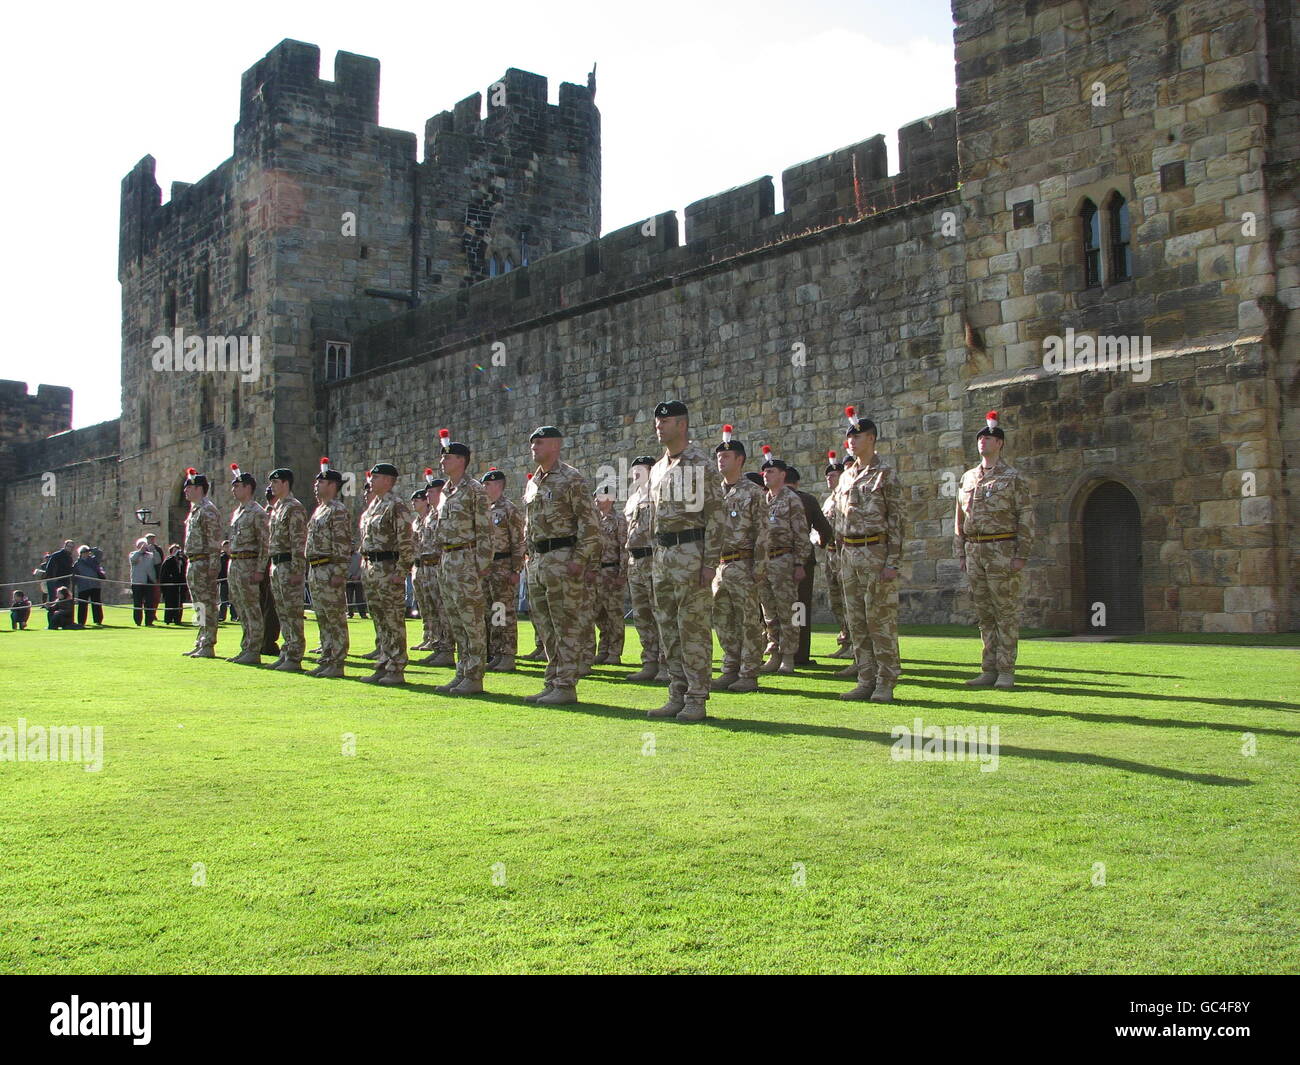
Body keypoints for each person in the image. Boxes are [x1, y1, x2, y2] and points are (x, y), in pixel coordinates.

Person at [647, 400, 724, 723]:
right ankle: (677, 692)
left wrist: (710, 563)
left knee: (692, 628)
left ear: (682, 425)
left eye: (666, 422)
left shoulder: (701, 464)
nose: (659, 426)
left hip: (691, 551)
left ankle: (696, 698)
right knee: (668, 629)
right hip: (663, 556)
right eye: (657, 422)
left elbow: (716, 515)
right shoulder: (657, 467)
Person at [521, 426, 602, 706]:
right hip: (540, 562)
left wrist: (579, 560)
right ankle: (552, 680)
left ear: (555, 445)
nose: (534, 447)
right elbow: (529, 525)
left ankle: (566, 685)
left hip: (563, 559)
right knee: (545, 626)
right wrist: (529, 556)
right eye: (532, 443)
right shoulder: (534, 482)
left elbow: (590, 524)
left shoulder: (571, 478)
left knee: (566, 625)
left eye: (539, 443)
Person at [955, 411, 1035, 689]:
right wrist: (962, 553)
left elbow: (1025, 516)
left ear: (1000, 443)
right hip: (975, 550)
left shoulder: (1012, 478)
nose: (982, 442)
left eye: (988, 438)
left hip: (1002, 548)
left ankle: (1006, 670)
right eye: (980, 438)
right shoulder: (967, 478)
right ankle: (988, 668)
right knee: (984, 614)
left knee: (1005, 613)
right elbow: (959, 518)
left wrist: (1021, 554)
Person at [835, 407, 905, 703]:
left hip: (875, 552)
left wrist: (893, 562)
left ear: (872, 439)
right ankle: (866, 678)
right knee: (857, 621)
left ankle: (886, 681)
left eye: (857, 435)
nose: (851, 440)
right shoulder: (846, 476)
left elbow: (898, 520)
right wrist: (840, 557)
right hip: (849, 554)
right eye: (849, 435)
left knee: (880, 620)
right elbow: (839, 519)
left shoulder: (885, 474)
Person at [430, 431, 493, 694]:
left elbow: (485, 530)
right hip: (447, 560)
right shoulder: (446, 491)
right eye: (443, 457)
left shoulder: (474, 490)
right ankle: (462, 671)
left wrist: (480, 565)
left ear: (462, 460)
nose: (443, 461)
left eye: (449, 457)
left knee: (472, 621)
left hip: (466, 559)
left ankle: (475, 676)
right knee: (455, 620)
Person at [710, 426, 769, 693]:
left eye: (727, 456)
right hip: (719, 566)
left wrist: (760, 565)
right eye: (719, 457)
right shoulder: (713, 492)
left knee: (747, 620)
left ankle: (748, 673)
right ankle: (730, 667)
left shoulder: (753, 492)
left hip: (743, 562)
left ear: (740, 460)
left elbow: (762, 531)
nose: (721, 460)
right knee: (722, 619)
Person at [358, 463, 416, 685]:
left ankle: (396, 667)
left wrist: (401, 571)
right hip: (372, 568)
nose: (371, 480)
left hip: (388, 567)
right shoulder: (373, 507)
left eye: (377, 476)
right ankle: (383, 662)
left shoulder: (396, 505)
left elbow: (406, 541)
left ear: (389, 481)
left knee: (392, 620)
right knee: (379, 620)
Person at [757, 448, 808, 675]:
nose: (766, 475)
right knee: (769, 612)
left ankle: (789, 656)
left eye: (771, 471)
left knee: (788, 611)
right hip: (765, 563)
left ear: (782, 475)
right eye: (765, 471)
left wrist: (799, 563)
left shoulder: (791, 500)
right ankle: (774, 652)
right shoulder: (762, 500)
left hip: (784, 560)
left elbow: (801, 534)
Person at [305, 458, 353, 677]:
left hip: (328, 568)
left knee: (334, 617)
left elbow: (342, 543)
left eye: (321, 482)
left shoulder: (337, 510)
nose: (316, 486)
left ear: (332, 485)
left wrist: (339, 571)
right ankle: (327, 656)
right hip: (316, 569)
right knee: (322, 617)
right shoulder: (319, 510)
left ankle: (337, 660)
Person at [785, 466, 835, 666]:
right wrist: (821, 543)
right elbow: (825, 530)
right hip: (803, 562)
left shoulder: (770, 498)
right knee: (800, 609)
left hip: (774, 561)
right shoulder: (806, 500)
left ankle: (779, 652)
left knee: (776, 610)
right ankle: (799, 654)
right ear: (797, 482)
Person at [225, 464, 269, 665]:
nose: (234, 489)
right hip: (235, 564)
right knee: (240, 608)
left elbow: (264, 542)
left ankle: (254, 649)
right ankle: (246, 646)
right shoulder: (238, 512)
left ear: (248, 488)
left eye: (238, 486)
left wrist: (260, 569)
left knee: (252, 609)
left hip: (249, 564)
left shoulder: (257, 512)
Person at [622, 456, 661, 681]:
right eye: (633, 471)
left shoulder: (658, 495)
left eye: (640, 471)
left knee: (659, 613)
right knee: (641, 615)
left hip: (652, 558)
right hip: (634, 561)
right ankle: (649, 661)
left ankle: (665, 663)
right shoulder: (633, 499)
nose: (635, 475)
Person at [482, 468, 525, 672]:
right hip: (487, 568)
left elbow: (518, 540)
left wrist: (516, 569)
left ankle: (508, 654)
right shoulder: (485, 509)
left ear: (498, 485)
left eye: (488, 484)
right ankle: (496, 652)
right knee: (492, 612)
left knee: (503, 611)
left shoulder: (509, 509)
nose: (484, 488)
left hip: (503, 566)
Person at [267, 468, 308, 671]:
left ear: (285, 484)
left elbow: (298, 542)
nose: (272, 486)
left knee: (292, 612)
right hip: (276, 564)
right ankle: (286, 650)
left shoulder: (294, 508)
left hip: (288, 564)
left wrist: (297, 570)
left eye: (275, 482)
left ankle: (295, 654)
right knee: (282, 612)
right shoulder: (278, 508)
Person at [410, 472, 452, 664]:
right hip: (425, 567)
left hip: (438, 565)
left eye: (432, 492)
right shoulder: (430, 516)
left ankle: (446, 647)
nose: (428, 497)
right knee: (430, 607)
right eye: (427, 494)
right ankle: (436, 642)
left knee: (442, 609)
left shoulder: (444, 512)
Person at [181, 468, 222, 656]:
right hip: (193, 561)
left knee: (207, 604)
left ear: (199, 488)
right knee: (198, 605)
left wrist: (214, 565)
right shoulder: (195, 511)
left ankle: (208, 643)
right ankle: (200, 639)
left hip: (204, 562)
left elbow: (213, 541)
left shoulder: (208, 510)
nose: (185, 491)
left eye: (189, 487)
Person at [818, 452, 852, 658]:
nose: (829, 479)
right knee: (836, 601)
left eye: (833, 475)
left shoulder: (847, 496)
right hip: (830, 554)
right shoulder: (829, 501)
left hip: (844, 552)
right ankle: (845, 639)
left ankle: (856, 644)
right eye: (827, 476)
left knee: (849, 600)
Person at [591, 490, 628, 665]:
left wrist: (622, 574)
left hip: (612, 572)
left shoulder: (618, 520)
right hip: (596, 574)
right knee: (599, 615)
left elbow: (624, 547)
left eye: (599, 496)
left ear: (611, 499)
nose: (596, 499)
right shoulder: (594, 520)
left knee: (614, 615)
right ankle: (603, 649)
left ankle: (615, 652)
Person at [71, 545, 107, 627]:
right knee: (82, 605)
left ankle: (98, 620)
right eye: (84, 552)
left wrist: (92, 549)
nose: (86, 554)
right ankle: (81, 621)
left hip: (95, 585)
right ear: (80, 554)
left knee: (96, 603)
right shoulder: (77, 563)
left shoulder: (93, 560)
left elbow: (100, 553)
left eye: (87, 552)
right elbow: (75, 575)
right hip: (83, 586)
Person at [129, 537, 159, 626]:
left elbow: (158, 561)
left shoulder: (150, 555)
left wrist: (155, 551)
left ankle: (149, 621)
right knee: (138, 603)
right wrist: (140, 551)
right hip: (137, 582)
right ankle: (138, 621)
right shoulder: (133, 554)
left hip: (149, 581)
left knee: (150, 603)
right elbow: (133, 560)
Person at [160, 544, 187, 625]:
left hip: (180, 585)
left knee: (179, 602)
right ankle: (168, 619)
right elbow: (163, 575)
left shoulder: (182, 560)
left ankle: (177, 619)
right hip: (170, 586)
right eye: (175, 551)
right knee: (170, 602)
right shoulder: (168, 561)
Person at [346, 548, 367, 618]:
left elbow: (361, 567)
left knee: (360, 597)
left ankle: (363, 614)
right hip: (348, 580)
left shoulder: (359, 555)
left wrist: (357, 576)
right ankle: (350, 613)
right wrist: (350, 576)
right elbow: (343, 567)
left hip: (358, 579)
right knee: (349, 597)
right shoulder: (343, 555)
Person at [218, 541, 233, 621]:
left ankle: (234, 616)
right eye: (226, 547)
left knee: (233, 600)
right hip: (224, 581)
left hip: (232, 580)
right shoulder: (222, 557)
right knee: (223, 599)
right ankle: (222, 616)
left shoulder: (232, 556)